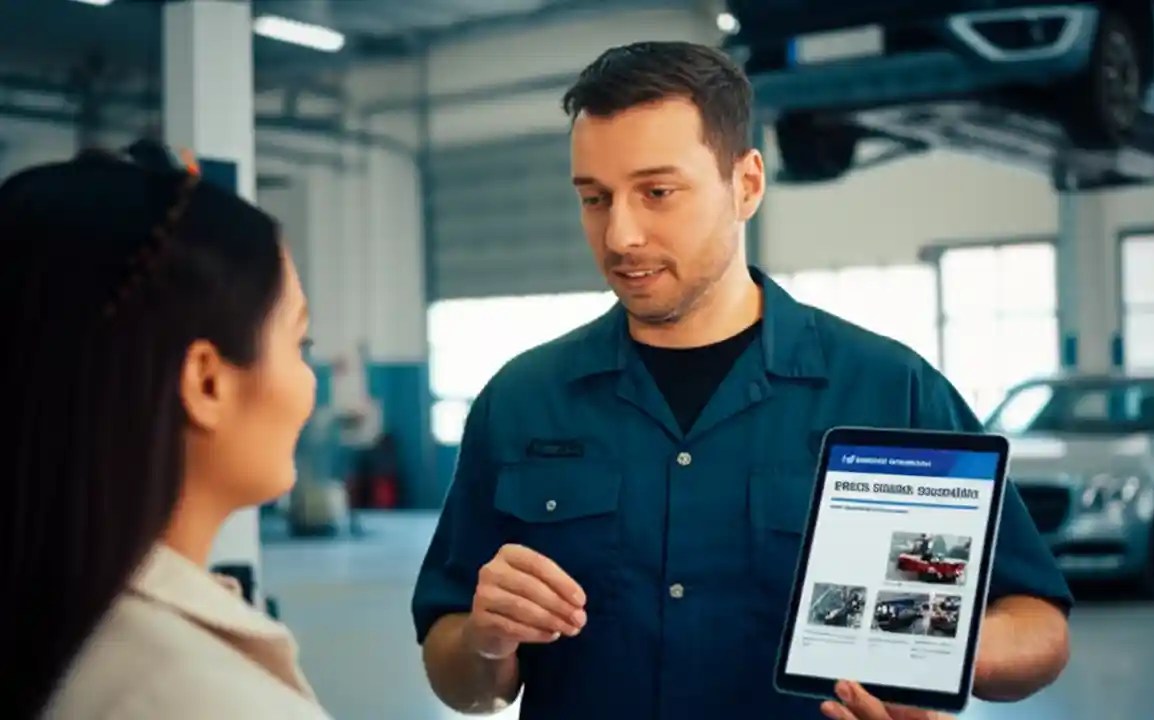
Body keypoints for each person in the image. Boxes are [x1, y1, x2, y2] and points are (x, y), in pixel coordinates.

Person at [413, 41, 1072, 720]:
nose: (621, 235)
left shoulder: (887, 391)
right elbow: (456, 673)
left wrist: (931, 656)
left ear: (746, 185)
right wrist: (487, 642)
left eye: (658, 192)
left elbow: (1037, 623)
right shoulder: (522, 403)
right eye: (594, 198)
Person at [0, 143, 331, 719]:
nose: (309, 385)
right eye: (298, 344)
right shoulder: (202, 698)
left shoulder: (48, 629)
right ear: (206, 382)